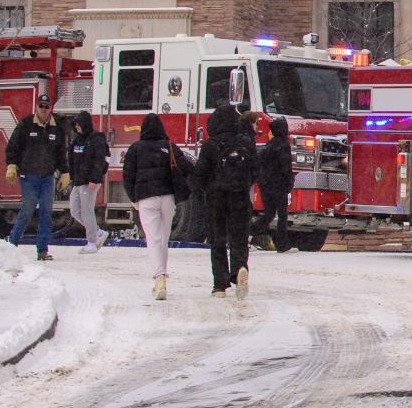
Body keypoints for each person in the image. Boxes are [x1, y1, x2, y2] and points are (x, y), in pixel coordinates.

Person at [122, 113, 189, 301]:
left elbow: (128, 175)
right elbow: (185, 167)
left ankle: (159, 278)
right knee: (163, 239)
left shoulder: (135, 149)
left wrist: (133, 198)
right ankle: (161, 277)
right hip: (168, 198)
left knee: (153, 239)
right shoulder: (169, 146)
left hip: (146, 198)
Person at [193, 104, 257, 299]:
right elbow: (255, 171)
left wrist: (203, 191)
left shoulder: (210, 145)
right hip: (240, 196)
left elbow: (200, 175)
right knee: (239, 238)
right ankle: (239, 269)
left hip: (216, 198)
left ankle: (219, 285)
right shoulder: (246, 143)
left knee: (217, 240)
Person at [4, 92, 69, 261]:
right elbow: (13, 146)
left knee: (46, 213)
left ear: (51, 108)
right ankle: (12, 245)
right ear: (36, 107)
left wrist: (65, 172)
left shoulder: (57, 128)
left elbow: (61, 153)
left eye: (47, 107)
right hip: (28, 176)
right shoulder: (26, 125)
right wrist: (11, 164)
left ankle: (42, 250)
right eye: (41, 106)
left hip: (47, 177)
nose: (44, 110)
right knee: (27, 210)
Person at [66, 111, 111, 254]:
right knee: (75, 210)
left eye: (78, 124)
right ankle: (97, 232)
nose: (77, 127)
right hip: (78, 181)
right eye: (75, 125)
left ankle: (92, 242)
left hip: (90, 182)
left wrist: (95, 178)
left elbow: (101, 160)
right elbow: (72, 160)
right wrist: (72, 178)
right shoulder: (77, 140)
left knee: (87, 210)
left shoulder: (96, 139)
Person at [251, 115, 295, 253]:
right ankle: (282, 244)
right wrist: (289, 181)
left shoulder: (269, 145)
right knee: (282, 215)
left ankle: (248, 233)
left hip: (266, 184)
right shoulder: (283, 145)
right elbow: (285, 167)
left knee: (269, 214)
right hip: (279, 184)